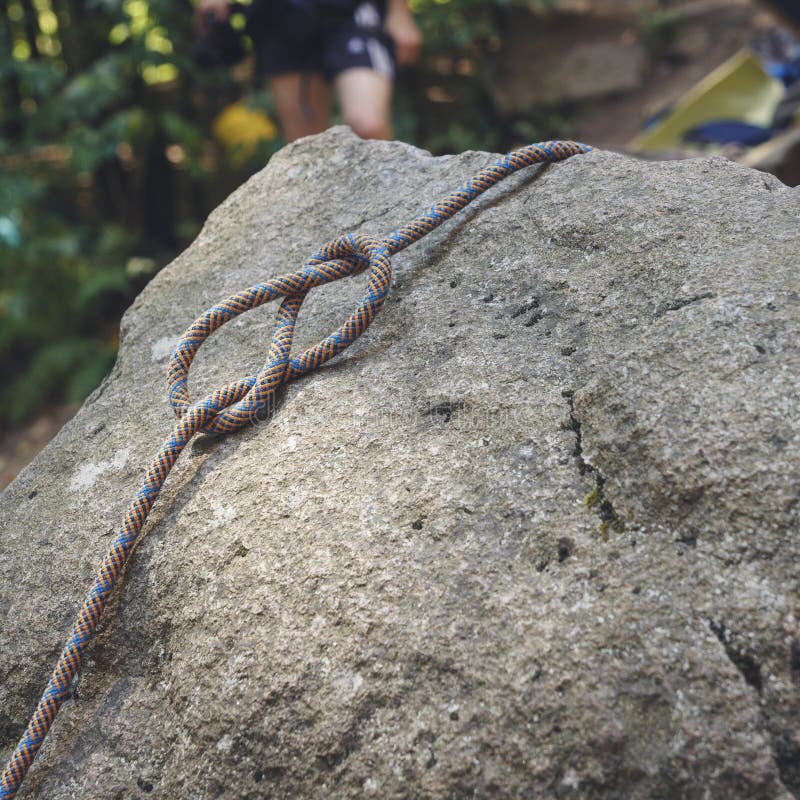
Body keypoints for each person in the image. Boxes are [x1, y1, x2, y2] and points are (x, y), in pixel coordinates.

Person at [195, 0, 422, 142]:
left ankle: (401, 214)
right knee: (306, 147)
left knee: (368, 124)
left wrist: (399, 10)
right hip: (278, 16)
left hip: (350, 12)